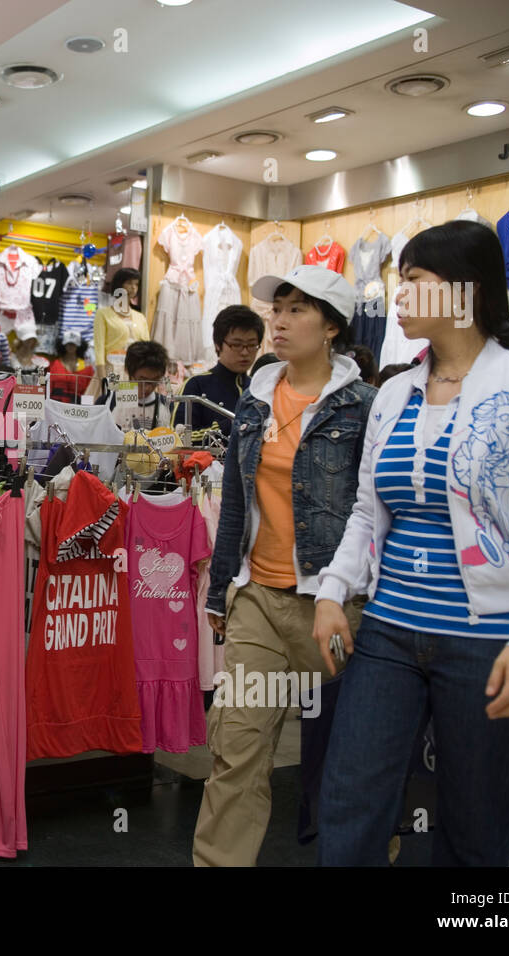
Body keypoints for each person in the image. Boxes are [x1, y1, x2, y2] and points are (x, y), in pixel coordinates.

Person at [311, 220, 509, 866]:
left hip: (487, 640)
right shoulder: (395, 394)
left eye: (413, 279)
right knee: (350, 802)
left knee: (473, 826)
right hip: (386, 633)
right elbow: (366, 511)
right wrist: (334, 590)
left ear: (463, 290)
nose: (399, 295)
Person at [192, 264, 376, 867]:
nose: (280, 320)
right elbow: (240, 504)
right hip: (259, 604)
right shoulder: (255, 397)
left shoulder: (365, 407)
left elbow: (375, 508)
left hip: (337, 604)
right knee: (237, 748)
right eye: (279, 307)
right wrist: (220, 591)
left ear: (331, 327)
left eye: (298, 309)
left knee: (355, 760)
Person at [175, 305, 265, 436]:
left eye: (252, 345)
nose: (245, 352)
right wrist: (229, 425)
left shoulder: (258, 388)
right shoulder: (196, 385)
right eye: (237, 345)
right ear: (218, 344)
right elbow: (178, 438)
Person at [105, 338, 171, 429]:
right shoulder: (109, 401)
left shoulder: (165, 405)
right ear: (127, 370)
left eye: (154, 381)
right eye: (142, 380)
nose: (147, 388)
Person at [47, 329, 93, 403]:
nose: (71, 346)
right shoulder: (54, 364)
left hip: (77, 407)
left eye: (73, 344)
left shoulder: (87, 368)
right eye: (68, 343)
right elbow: (47, 386)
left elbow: (89, 391)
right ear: (64, 344)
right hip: (55, 405)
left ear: (78, 345)